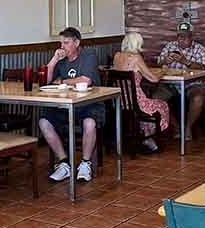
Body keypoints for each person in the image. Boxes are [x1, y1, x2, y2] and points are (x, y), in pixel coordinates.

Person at [38, 27, 103, 183]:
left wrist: (63, 81)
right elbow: (45, 82)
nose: (62, 46)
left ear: (77, 43)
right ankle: (64, 163)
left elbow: (86, 80)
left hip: (89, 105)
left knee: (89, 123)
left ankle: (85, 163)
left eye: (66, 43)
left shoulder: (89, 55)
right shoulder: (61, 61)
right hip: (65, 106)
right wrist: (53, 60)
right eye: (61, 43)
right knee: (44, 122)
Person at [112, 31, 170, 152]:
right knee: (162, 105)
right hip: (136, 102)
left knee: (148, 106)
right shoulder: (136, 58)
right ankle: (148, 137)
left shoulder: (117, 56)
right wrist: (163, 70)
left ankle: (146, 136)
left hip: (119, 100)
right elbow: (153, 79)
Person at [157, 22, 205, 139]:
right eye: (180, 36)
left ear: (192, 37)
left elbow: (204, 67)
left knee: (198, 98)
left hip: (192, 84)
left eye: (185, 37)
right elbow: (158, 64)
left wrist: (186, 61)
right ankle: (176, 127)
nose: (182, 40)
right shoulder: (170, 46)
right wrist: (165, 61)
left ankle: (188, 128)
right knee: (157, 98)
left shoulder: (199, 49)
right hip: (171, 84)